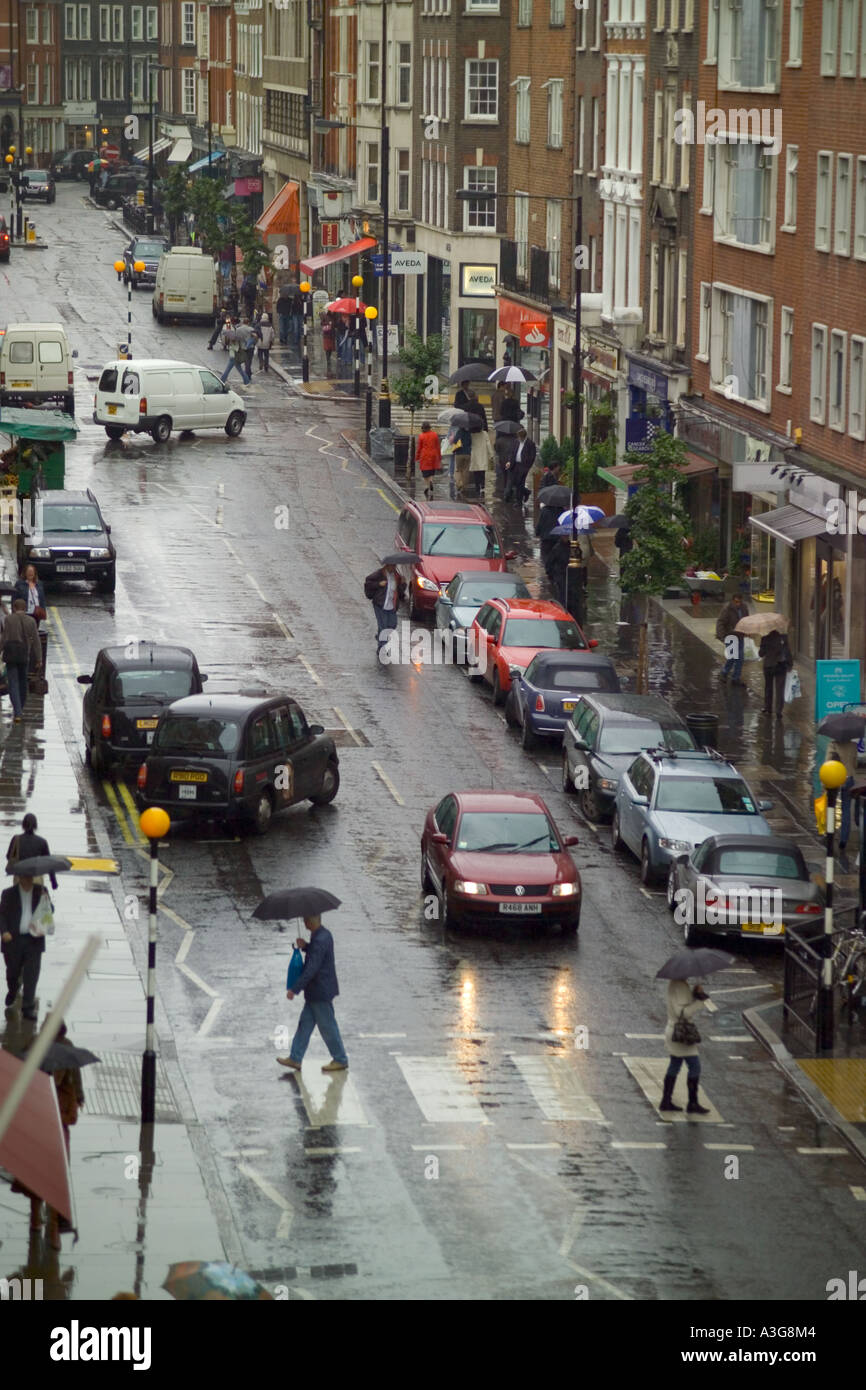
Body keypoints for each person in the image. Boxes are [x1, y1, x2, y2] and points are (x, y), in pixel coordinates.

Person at [276, 914, 349, 1073]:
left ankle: (340, 1059)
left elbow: (312, 968)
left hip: (319, 991)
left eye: (305, 920)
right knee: (305, 1025)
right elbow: (318, 953)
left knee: (328, 1027)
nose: (304, 922)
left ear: (310, 921)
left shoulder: (320, 939)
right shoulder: (323, 935)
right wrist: (306, 946)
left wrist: (295, 989)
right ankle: (295, 1058)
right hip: (318, 991)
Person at [0, 868, 51, 1020]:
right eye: (25, 877)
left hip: (34, 939)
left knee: (31, 974)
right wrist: (4, 932)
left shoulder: (41, 891)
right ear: (19, 878)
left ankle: (28, 1007)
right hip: (13, 940)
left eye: (30, 877)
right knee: (13, 972)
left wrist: (46, 900)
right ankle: (13, 989)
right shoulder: (8, 894)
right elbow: (1, 915)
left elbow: (50, 912)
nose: (28, 880)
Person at [660, 977, 711, 1114]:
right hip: (681, 1033)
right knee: (695, 1066)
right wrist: (699, 1000)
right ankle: (692, 1103)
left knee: (675, 1064)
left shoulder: (675, 983)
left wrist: (694, 994)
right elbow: (682, 1012)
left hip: (674, 1030)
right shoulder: (680, 986)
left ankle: (666, 1101)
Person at [0, 599, 41, 723]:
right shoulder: (31, 621)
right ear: (25, 608)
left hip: (11, 654)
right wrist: (39, 659)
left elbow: (4, 637)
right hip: (24, 655)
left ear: (14, 607)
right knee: (23, 681)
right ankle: (20, 708)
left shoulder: (9, 619)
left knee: (13, 682)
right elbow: (37, 641)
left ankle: (17, 712)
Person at [364, 562, 406, 657]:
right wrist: (379, 584)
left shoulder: (397, 576)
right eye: (392, 565)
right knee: (383, 626)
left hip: (391, 605)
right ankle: (382, 648)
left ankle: (380, 636)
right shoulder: (379, 574)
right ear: (387, 565)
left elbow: (400, 592)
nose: (393, 568)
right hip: (380, 604)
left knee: (392, 625)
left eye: (395, 566)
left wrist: (403, 583)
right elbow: (368, 583)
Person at [7, 813, 59, 890]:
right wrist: (53, 882)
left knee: (19, 899)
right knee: (36, 899)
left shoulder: (16, 839)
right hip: (36, 877)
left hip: (20, 876)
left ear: (23, 825)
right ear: (35, 825)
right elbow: (49, 863)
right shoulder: (42, 842)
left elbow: (9, 856)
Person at [829, 737, 859, 852]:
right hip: (849, 779)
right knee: (846, 809)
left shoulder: (833, 745)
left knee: (831, 806)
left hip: (836, 777)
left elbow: (828, 762)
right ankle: (844, 839)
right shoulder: (853, 746)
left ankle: (830, 833)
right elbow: (855, 764)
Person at [758, 626, 793, 719]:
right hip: (781, 666)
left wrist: (763, 647)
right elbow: (787, 651)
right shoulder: (783, 637)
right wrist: (790, 664)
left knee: (768, 688)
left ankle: (768, 708)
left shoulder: (765, 637)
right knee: (780, 689)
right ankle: (778, 711)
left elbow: (761, 654)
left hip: (768, 666)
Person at [716, 593, 750, 685]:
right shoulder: (727, 609)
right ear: (733, 601)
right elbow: (720, 622)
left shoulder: (744, 607)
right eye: (736, 602)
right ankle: (724, 673)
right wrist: (722, 636)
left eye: (739, 602)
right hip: (730, 636)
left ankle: (735, 677)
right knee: (734, 656)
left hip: (740, 635)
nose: (738, 604)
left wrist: (748, 630)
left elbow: (746, 620)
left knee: (740, 658)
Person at [509, 427, 537, 504]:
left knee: (520, 482)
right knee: (515, 482)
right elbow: (512, 452)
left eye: (519, 437)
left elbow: (532, 456)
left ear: (523, 437)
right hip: (515, 465)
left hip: (523, 466)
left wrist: (527, 466)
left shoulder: (530, 443)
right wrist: (510, 462)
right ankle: (526, 492)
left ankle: (519, 501)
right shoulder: (516, 442)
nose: (518, 438)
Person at [415, 422, 442, 499]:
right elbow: (438, 446)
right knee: (431, 471)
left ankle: (428, 485)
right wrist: (439, 456)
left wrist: (417, 457)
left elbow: (419, 448)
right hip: (434, 455)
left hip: (425, 455)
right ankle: (431, 482)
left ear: (423, 428)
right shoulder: (435, 435)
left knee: (425, 472)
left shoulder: (421, 436)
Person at [494, 428, 518, 496]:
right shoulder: (515, 440)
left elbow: (496, 449)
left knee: (504, 475)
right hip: (512, 460)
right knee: (511, 475)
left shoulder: (499, 440)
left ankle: (505, 488)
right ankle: (510, 489)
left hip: (502, 460)